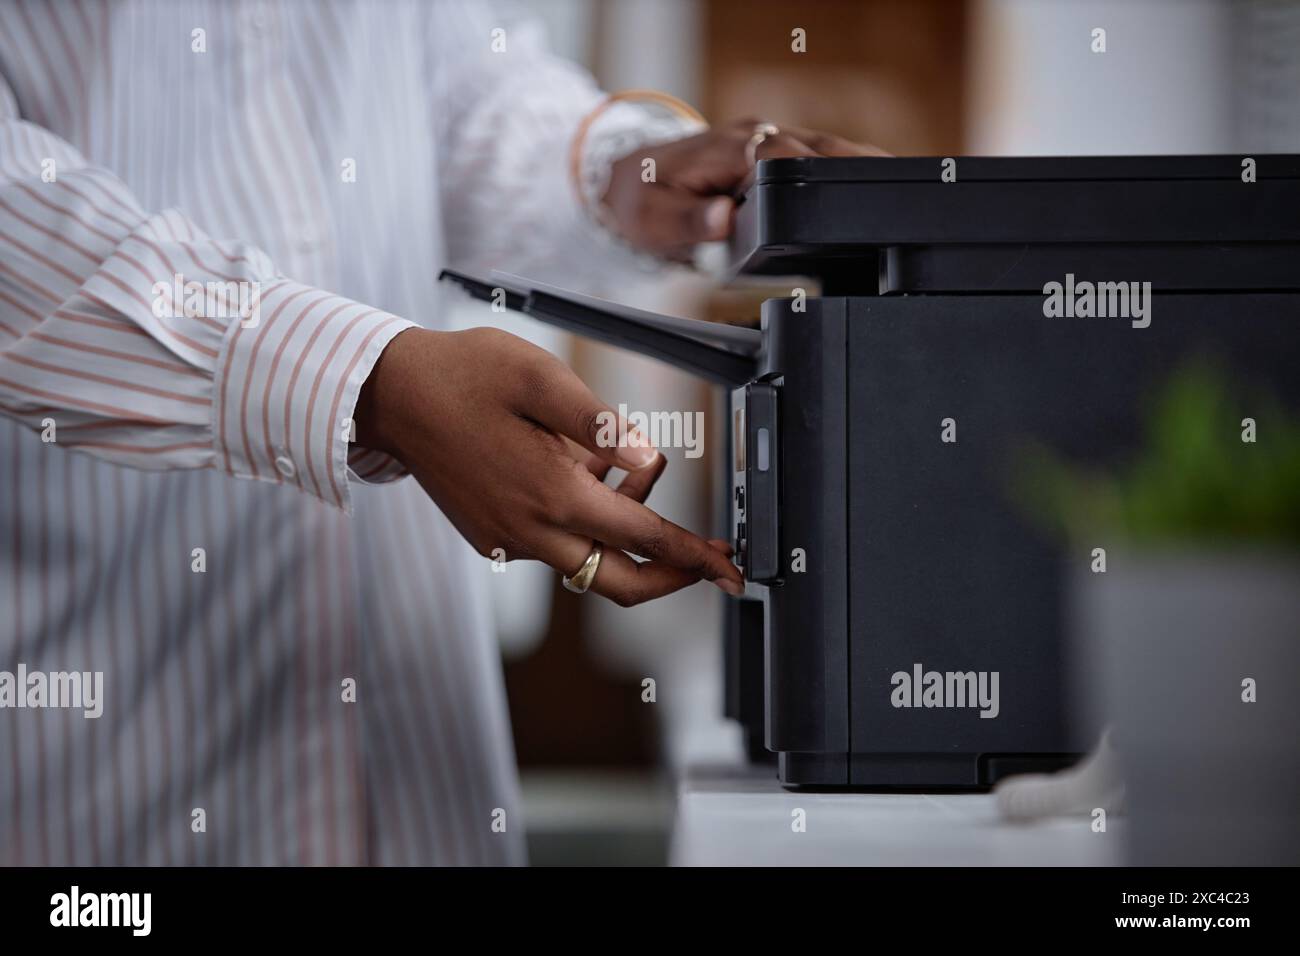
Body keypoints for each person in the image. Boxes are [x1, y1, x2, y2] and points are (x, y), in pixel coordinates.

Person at [0, 0, 879, 865]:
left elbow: (454, 94)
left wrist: (625, 177)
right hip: (95, 756)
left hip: (417, 767)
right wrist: (360, 380)